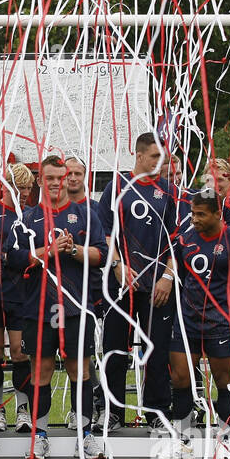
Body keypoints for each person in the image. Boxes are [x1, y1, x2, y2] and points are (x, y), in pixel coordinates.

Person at [9, 155, 108, 459]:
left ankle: (85, 435)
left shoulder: (85, 213)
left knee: (80, 369)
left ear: (69, 178)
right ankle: (39, 436)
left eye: (60, 177)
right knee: (42, 370)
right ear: (40, 180)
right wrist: (47, 251)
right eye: (49, 178)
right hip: (39, 307)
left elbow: (101, 254)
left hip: (77, 307)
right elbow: (13, 259)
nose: (55, 183)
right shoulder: (26, 219)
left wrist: (74, 250)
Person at [165, 187, 230, 459]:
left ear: (218, 214)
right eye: (193, 213)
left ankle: (228, 438)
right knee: (180, 378)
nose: (194, 219)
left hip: (220, 323)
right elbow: (180, 279)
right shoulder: (184, 241)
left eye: (201, 214)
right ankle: (183, 441)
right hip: (188, 322)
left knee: (224, 381)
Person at [98, 133, 180, 435]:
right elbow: (103, 232)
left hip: (157, 286)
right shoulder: (116, 187)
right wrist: (118, 265)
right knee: (115, 350)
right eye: (154, 158)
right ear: (139, 155)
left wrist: (168, 277)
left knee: (157, 352)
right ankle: (113, 412)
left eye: (162, 158)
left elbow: (176, 240)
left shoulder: (168, 190)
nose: (160, 164)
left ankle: (157, 412)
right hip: (121, 285)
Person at [0, 162, 34, 432]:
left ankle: (23, 410)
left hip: (21, 294)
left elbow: (28, 255)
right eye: (19, 187)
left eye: (27, 188)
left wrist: (17, 258)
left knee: (21, 354)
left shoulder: (31, 216)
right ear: (5, 187)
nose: (23, 193)